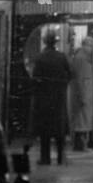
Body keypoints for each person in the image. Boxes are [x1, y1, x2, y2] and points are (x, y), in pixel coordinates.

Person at [30, 31, 72, 166]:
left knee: (45, 130)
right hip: (59, 97)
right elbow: (70, 74)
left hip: (44, 98)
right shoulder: (62, 57)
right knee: (59, 129)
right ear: (56, 42)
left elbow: (35, 78)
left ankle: (45, 158)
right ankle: (61, 157)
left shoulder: (40, 58)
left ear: (45, 41)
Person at [69, 37, 93, 152]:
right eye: (91, 46)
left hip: (84, 93)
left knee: (82, 120)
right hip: (83, 93)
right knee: (82, 121)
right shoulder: (81, 58)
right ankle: (80, 145)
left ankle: (81, 144)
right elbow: (81, 78)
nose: (91, 49)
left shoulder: (81, 57)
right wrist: (83, 96)